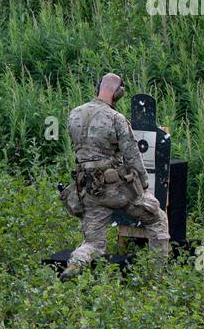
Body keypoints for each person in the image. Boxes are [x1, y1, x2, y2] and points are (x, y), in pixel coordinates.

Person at [61, 73, 170, 279]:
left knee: (93, 243)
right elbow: (132, 156)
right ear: (118, 93)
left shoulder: (74, 114)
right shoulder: (116, 118)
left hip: (89, 189)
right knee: (157, 219)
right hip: (119, 191)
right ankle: (158, 275)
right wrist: (144, 185)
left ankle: (75, 264)